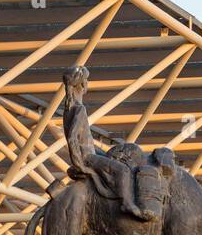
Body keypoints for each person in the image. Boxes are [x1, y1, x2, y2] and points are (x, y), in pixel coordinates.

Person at [61, 66, 155, 221]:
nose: (87, 83)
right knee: (123, 171)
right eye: (86, 80)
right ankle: (126, 203)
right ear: (82, 85)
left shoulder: (69, 108)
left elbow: (82, 139)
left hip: (90, 152)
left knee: (115, 159)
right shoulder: (79, 109)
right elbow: (72, 138)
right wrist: (79, 162)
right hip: (87, 157)